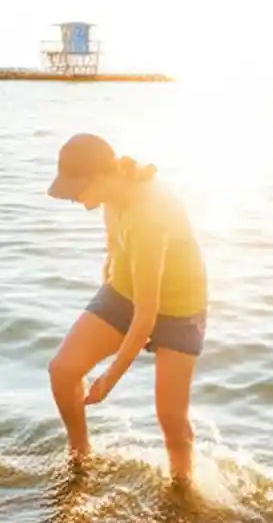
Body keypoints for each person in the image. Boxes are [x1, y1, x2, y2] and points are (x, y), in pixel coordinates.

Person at [45, 133, 208, 483]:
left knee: (171, 420)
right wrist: (106, 277)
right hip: (123, 292)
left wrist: (109, 379)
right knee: (62, 370)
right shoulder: (113, 194)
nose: (76, 200)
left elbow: (146, 316)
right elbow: (113, 242)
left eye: (77, 191)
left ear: (99, 177)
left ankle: (183, 490)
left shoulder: (149, 215)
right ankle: (80, 457)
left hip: (179, 309)